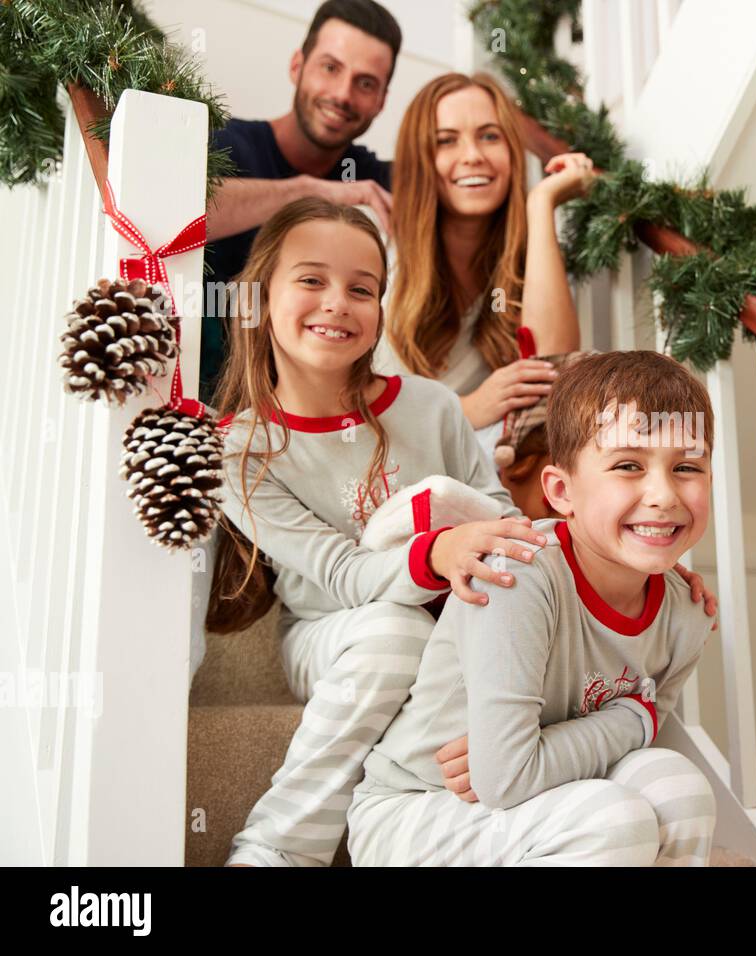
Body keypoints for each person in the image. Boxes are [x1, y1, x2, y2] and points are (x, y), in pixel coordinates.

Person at [206, 197, 548, 867]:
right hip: (330, 634)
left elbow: (501, 522)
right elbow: (343, 576)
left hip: (454, 630)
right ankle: (278, 848)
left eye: (361, 289)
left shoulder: (432, 406)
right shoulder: (239, 452)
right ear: (259, 297)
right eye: (311, 280)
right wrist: (438, 550)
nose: (338, 302)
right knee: (397, 633)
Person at [346, 351, 718, 866]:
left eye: (687, 467)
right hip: (418, 809)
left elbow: (634, 736)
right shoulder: (516, 573)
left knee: (679, 787)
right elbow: (510, 778)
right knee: (615, 819)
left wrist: (601, 732)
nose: (662, 494)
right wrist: (633, 716)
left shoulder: (688, 613)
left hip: (546, 795)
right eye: (628, 465)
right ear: (561, 491)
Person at [200, 0, 402, 408]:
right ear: (298, 66)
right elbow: (178, 214)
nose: (343, 94)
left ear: (381, 99)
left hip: (323, 419)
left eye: (365, 83)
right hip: (202, 405)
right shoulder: (225, 146)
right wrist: (309, 191)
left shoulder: (374, 179)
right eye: (331, 68)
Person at [378, 72, 592, 443]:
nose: (473, 156)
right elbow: (352, 410)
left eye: (490, 136)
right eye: (446, 141)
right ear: (420, 160)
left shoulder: (533, 258)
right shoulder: (379, 258)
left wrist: (540, 204)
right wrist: (469, 408)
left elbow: (554, 368)